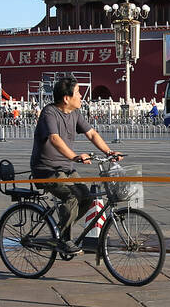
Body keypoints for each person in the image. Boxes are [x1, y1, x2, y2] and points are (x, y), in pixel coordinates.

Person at [30, 77, 122, 251]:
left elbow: (92, 134)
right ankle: (63, 239)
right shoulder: (49, 113)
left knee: (87, 199)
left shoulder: (75, 114)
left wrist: (109, 152)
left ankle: (60, 229)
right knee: (71, 196)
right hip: (46, 170)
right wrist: (74, 157)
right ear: (66, 98)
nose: (81, 96)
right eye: (78, 93)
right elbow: (54, 138)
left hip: (65, 168)